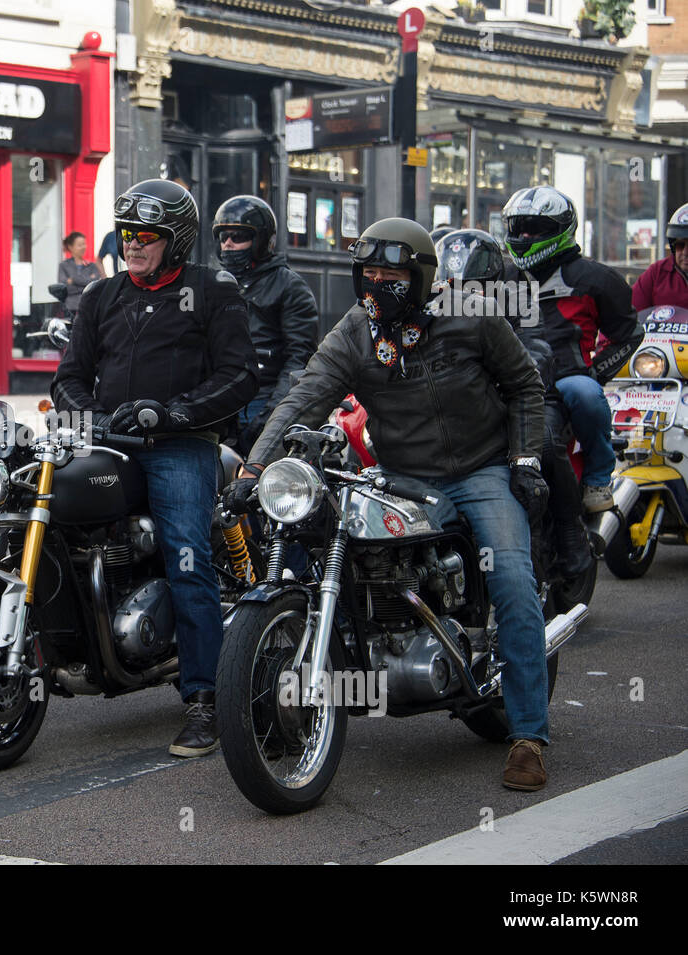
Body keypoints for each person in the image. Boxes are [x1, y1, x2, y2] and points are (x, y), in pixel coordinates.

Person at [226, 217, 552, 791]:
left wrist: (524, 460)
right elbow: (304, 395)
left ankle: (527, 734)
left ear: (422, 274)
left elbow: (525, 385)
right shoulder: (355, 332)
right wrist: (253, 469)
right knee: (333, 539)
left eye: (391, 273)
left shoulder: (472, 313)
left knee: (513, 577)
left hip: (481, 469)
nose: (377, 282)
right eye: (369, 271)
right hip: (401, 474)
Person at [51, 178, 258, 758]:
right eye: (126, 234)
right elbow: (69, 375)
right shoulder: (100, 295)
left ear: (178, 239)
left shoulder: (213, 289)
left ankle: (204, 701)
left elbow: (241, 376)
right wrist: (84, 413)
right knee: (53, 514)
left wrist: (174, 413)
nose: (133, 244)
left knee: (186, 556)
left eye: (147, 235)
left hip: (179, 444)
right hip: (107, 440)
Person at [435, 228, 592, 578]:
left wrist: (501, 374)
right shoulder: (434, 297)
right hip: (463, 402)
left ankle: (570, 531)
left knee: (546, 443)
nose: (463, 293)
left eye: (472, 286)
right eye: (455, 285)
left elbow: (537, 344)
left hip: (525, 393)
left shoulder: (516, 288)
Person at [503, 186, 643, 513]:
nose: (524, 235)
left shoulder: (597, 278)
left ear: (560, 230)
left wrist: (596, 372)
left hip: (566, 377)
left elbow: (629, 334)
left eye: (534, 228)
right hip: (508, 375)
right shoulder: (502, 276)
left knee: (585, 392)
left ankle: (598, 476)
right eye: (518, 227)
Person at [212, 195, 319, 457]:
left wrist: (272, 414)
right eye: (223, 236)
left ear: (260, 240)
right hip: (220, 401)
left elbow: (299, 358)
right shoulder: (216, 284)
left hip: (263, 398)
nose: (228, 243)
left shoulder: (290, 286)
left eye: (237, 236)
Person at [631, 202, 688, 311]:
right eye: (680, 245)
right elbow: (632, 311)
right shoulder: (657, 273)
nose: (685, 252)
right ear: (673, 246)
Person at [57, 231, 104, 319]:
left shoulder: (92, 266)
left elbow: (95, 286)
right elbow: (65, 288)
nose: (83, 247)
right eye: (79, 245)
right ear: (71, 247)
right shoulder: (63, 266)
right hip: (70, 309)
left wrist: (73, 280)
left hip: (90, 308)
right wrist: (87, 282)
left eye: (84, 244)